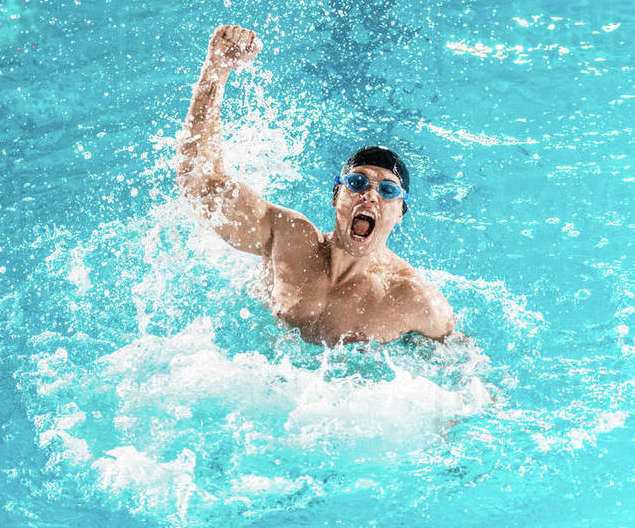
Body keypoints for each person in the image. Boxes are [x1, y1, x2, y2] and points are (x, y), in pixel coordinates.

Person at [176, 24, 457, 347]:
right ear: (337, 196)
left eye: (388, 190)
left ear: (399, 215)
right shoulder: (286, 238)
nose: (370, 194)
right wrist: (216, 70)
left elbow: (462, 363)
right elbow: (197, 183)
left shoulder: (412, 300)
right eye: (357, 182)